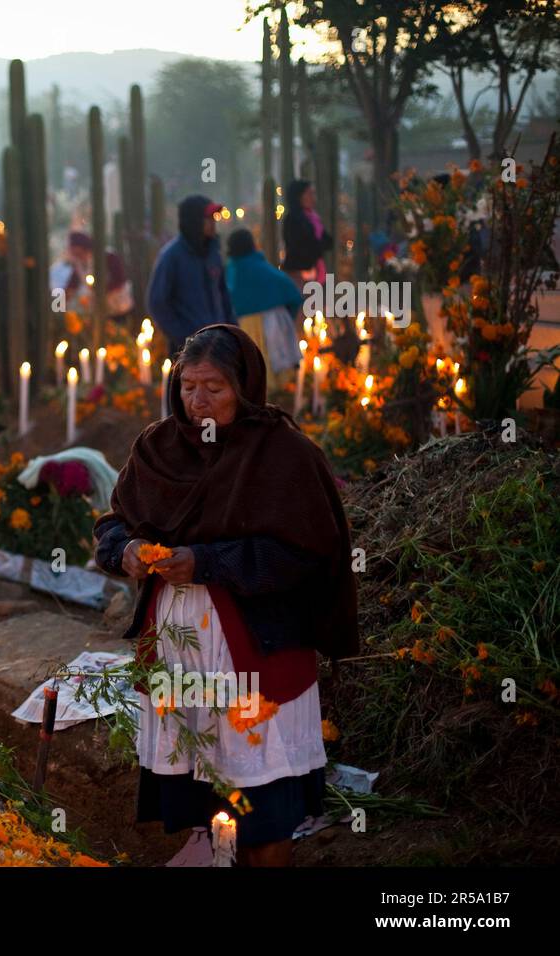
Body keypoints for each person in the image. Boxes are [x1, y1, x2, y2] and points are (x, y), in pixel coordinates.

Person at [93, 324, 357, 867]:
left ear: (245, 386)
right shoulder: (158, 446)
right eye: (188, 386)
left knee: (263, 796)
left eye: (214, 386)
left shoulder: (282, 454)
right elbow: (111, 523)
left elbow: (306, 555)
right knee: (201, 781)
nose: (198, 400)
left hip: (254, 649)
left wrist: (208, 562)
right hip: (176, 646)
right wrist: (127, 549)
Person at [146, 196, 234, 357]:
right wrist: (184, 336)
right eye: (208, 218)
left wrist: (232, 330)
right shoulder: (171, 256)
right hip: (187, 349)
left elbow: (223, 293)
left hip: (218, 343)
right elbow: (157, 302)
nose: (214, 222)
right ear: (195, 221)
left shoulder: (213, 253)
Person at [224, 229, 303, 386]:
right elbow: (292, 294)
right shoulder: (264, 268)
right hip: (272, 324)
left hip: (242, 327)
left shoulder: (231, 272)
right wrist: (289, 320)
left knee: (248, 372)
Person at [282, 180, 331, 287]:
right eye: (309, 193)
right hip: (299, 273)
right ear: (299, 196)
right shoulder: (293, 219)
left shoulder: (314, 218)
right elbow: (299, 245)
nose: (313, 197)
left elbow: (327, 241)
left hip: (314, 271)